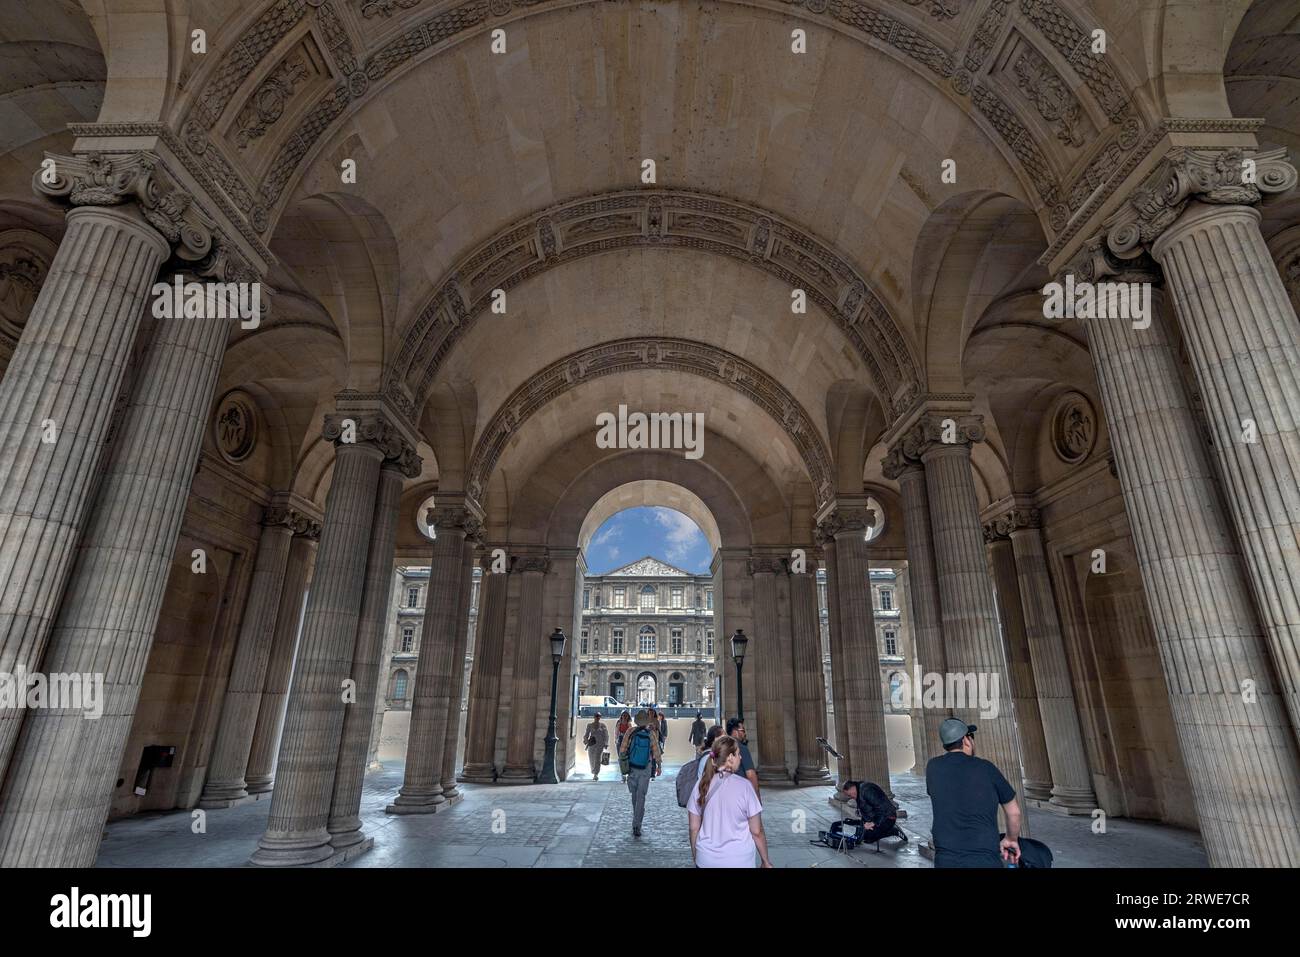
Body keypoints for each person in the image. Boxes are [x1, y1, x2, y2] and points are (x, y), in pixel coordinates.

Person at [925, 718, 1021, 868]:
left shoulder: (932, 767)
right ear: (966, 740)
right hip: (983, 858)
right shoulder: (986, 768)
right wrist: (1011, 839)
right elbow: (1013, 812)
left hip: (945, 858)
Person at [688, 735, 772, 868]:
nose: (741, 758)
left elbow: (693, 828)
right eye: (738, 754)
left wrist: (696, 856)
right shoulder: (745, 787)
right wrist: (765, 861)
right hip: (739, 860)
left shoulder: (701, 785)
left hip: (706, 859)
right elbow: (756, 831)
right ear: (730, 757)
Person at [619, 710, 662, 837]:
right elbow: (656, 751)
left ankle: (635, 818)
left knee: (634, 795)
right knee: (641, 796)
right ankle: (637, 824)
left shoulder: (630, 732)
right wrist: (659, 766)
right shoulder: (650, 734)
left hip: (632, 768)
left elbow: (622, 750)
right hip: (645, 768)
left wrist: (623, 766)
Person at [840, 780, 904, 844]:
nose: (849, 797)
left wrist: (873, 823)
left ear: (852, 788)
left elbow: (882, 809)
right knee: (858, 834)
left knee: (866, 836)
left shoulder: (867, 790)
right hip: (873, 818)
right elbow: (866, 810)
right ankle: (874, 833)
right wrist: (865, 824)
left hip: (887, 818)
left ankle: (893, 830)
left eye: (849, 794)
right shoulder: (858, 790)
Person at [725, 716, 761, 799]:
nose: (744, 734)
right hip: (740, 794)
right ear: (735, 732)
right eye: (743, 731)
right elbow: (751, 775)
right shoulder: (741, 748)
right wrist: (757, 798)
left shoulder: (723, 748)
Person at [582, 712, 609, 781]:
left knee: (597, 759)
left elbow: (606, 735)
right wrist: (586, 740)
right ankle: (593, 771)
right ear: (594, 717)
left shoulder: (603, 725)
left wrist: (606, 743)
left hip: (600, 744)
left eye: (599, 716)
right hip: (592, 744)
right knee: (592, 759)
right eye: (596, 716)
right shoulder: (590, 725)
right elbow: (586, 734)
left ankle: (596, 774)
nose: (597, 718)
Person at [614, 710, 632, 781]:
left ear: (628, 716)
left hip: (627, 740)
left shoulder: (629, 724)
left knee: (627, 757)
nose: (624, 716)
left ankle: (628, 773)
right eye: (623, 715)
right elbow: (616, 732)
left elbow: (631, 733)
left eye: (626, 715)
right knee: (620, 757)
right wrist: (616, 740)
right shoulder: (619, 723)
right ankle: (623, 775)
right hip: (620, 740)